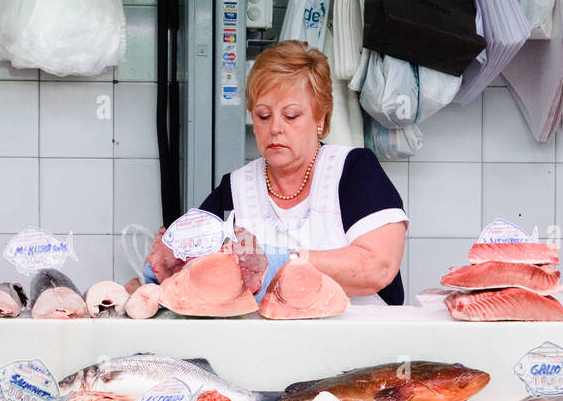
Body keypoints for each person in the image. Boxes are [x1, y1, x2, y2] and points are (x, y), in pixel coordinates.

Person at [145, 40, 408, 305]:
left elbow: (378, 267)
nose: (275, 128)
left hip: (356, 337)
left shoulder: (353, 171)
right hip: (265, 341)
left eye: (291, 116)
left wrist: (283, 260)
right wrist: (178, 259)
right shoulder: (235, 190)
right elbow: (202, 259)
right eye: (263, 115)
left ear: (320, 118)